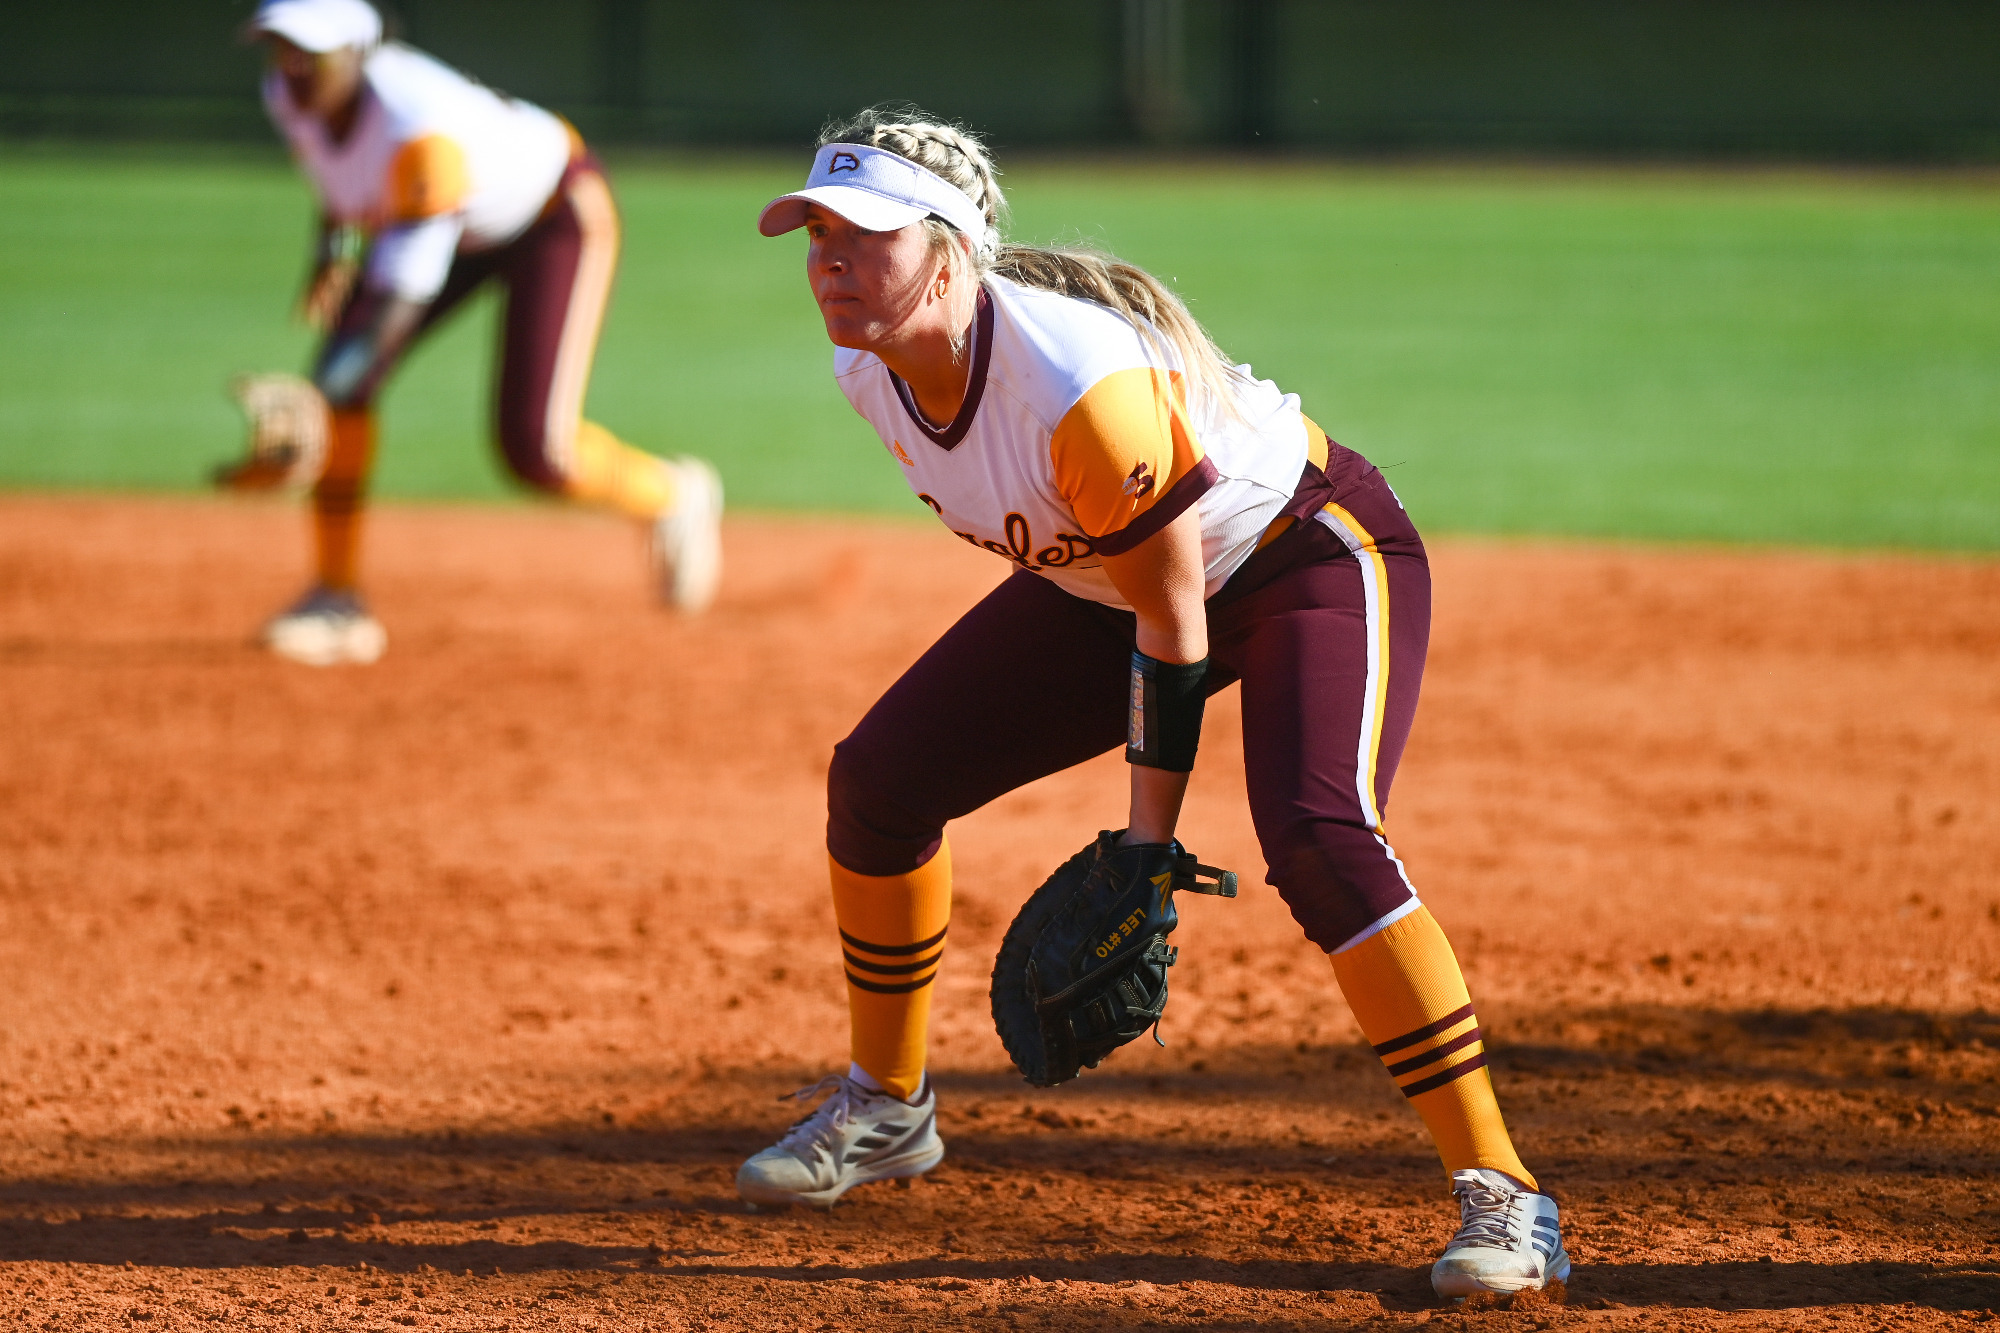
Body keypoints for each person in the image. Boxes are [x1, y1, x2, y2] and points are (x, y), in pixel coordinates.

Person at [734, 108, 1569, 1298]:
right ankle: (885, 1106)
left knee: (1321, 836)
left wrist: (1144, 845)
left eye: (865, 233)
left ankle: (1504, 1194)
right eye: (814, 229)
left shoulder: (1075, 386)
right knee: (879, 783)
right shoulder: (866, 366)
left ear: (951, 254)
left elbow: (1174, 620)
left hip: (1301, 558)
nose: (829, 259)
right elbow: (1116, 583)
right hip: (1109, 582)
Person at [237, 0, 723, 665]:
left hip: (551, 215)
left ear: (357, 52)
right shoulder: (288, 96)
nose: (290, 68)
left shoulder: (423, 134)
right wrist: (329, 252)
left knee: (535, 451)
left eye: (308, 53)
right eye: (280, 49)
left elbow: (396, 304)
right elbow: (337, 180)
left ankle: (673, 495)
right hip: (443, 220)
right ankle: (335, 598)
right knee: (344, 389)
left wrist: (318, 394)